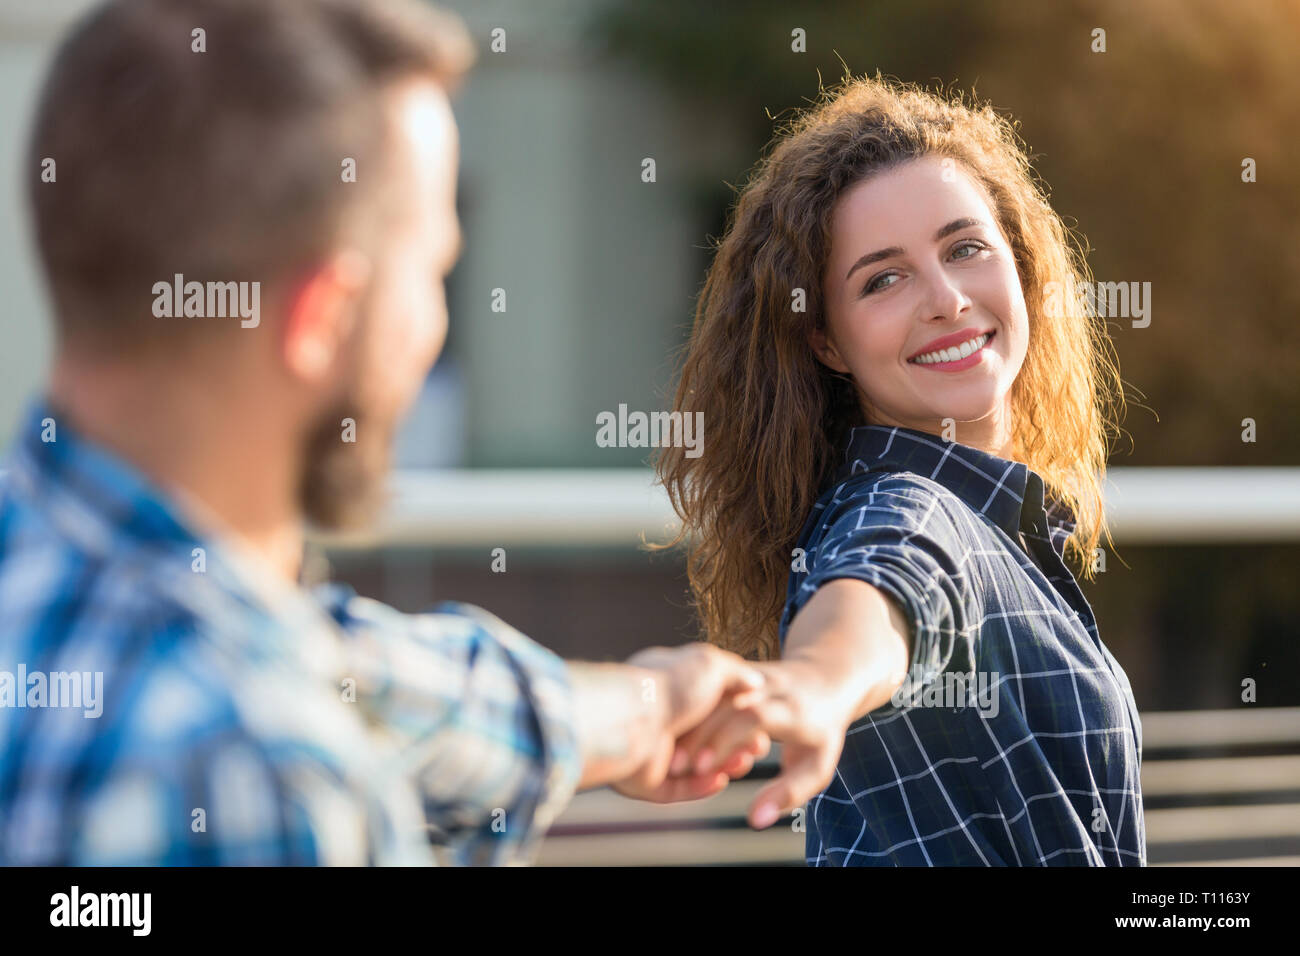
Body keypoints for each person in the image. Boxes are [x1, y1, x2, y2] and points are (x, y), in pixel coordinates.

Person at [0, 0, 769, 866]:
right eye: (436, 271)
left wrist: (647, 709)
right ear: (323, 316)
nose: (435, 323)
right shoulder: (263, 767)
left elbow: (348, 666)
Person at [657, 73, 1147, 865]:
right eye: (884, 279)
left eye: (965, 249)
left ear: (1018, 266)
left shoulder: (995, 518)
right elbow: (885, 579)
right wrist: (815, 681)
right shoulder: (904, 509)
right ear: (824, 341)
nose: (948, 299)